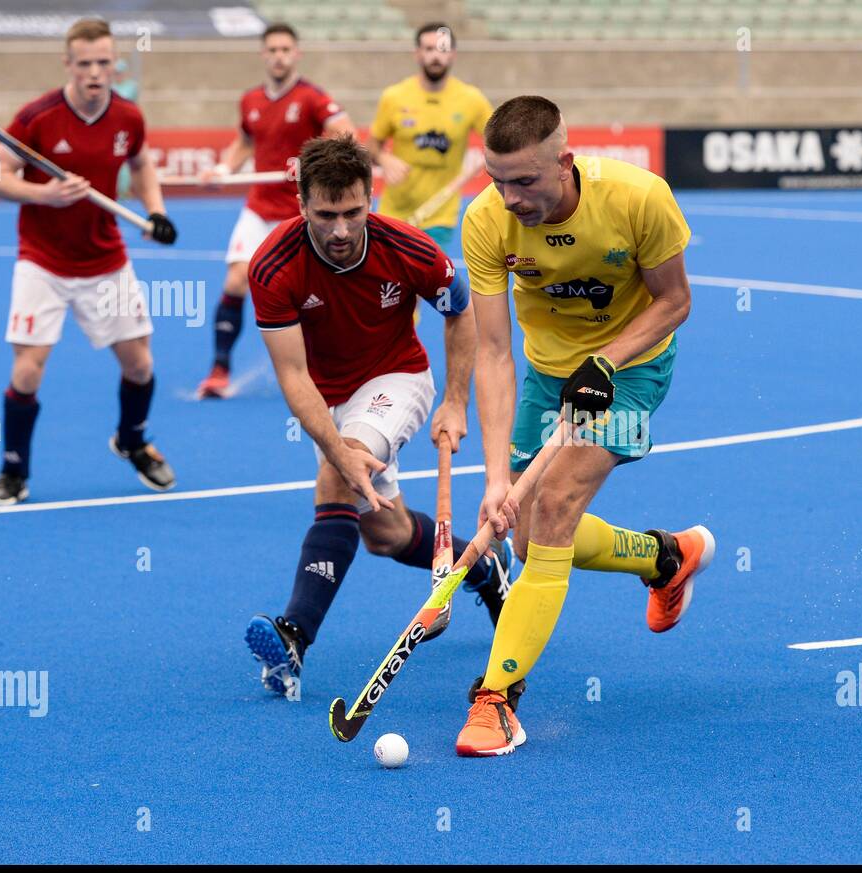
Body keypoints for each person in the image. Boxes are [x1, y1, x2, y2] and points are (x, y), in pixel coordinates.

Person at [455, 96, 714, 756]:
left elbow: (675, 300)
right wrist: (492, 479)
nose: (509, 197)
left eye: (524, 181)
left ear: (563, 163)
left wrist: (607, 359)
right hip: (547, 376)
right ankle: (664, 556)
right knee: (528, 534)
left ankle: (497, 701)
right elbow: (490, 351)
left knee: (560, 501)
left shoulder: (638, 198)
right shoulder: (486, 222)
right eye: (496, 180)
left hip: (631, 367)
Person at [243, 135, 512, 699]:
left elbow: (460, 312)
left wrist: (455, 401)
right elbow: (293, 377)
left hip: (397, 380)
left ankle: (294, 635)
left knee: (342, 472)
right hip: (329, 397)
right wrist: (337, 444)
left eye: (353, 212)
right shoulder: (272, 266)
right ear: (301, 203)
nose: (341, 230)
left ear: (371, 197)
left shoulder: (408, 249)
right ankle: (485, 568)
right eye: (325, 215)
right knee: (384, 534)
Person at [0, 16, 178, 506]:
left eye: (104, 62)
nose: (95, 71)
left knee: (140, 365)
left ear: (115, 65)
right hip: (42, 262)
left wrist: (156, 211)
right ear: (68, 64)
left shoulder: (129, 117)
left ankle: (131, 439)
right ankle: (14, 472)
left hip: (105, 260)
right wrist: (44, 193)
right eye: (85, 63)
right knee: (27, 372)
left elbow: (141, 163)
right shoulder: (37, 117)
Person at [195, 21, 353, 399]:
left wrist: (310, 161)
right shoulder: (250, 101)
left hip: (299, 214)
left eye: (286, 50)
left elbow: (346, 136)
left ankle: (332, 365)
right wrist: (223, 168)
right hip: (257, 207)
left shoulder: (313, 98)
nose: (279, 56)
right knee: (236, 280)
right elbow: (244, 142)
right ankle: (219, 369)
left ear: (296, 54)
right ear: (263, 55)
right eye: (273, 50)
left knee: (314, 292)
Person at [365, 22, 491, 250]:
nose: (435, 56)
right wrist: (384, 158)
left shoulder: (472, 99)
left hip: (440, 213)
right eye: (429, 49)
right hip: (394, 210)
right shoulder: (394, 96)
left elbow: (499, 140)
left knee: (426, 281)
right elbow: (371, 146)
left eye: (442, 49)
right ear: (417, 53)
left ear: (452, 54)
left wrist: (489, 158)